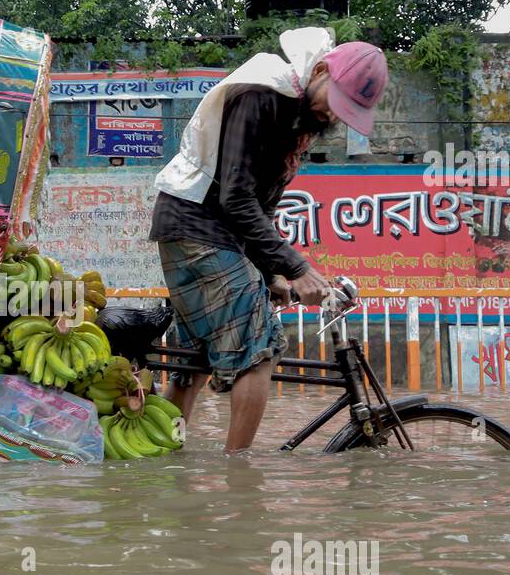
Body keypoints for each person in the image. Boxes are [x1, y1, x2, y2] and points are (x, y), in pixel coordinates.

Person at [148, 28, 388, 452]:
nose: (333, 116)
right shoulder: (261, 94)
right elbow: (236, 197)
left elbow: (262, 207)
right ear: (318, 71)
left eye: (344, 112)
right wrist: (297, 268)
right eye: (335, 102)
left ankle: (164, 461)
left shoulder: (301, 119)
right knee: (261, 351)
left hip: (205, 231)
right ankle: (240, 483)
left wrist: (269, 273)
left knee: (196, 362)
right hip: (196, 225)